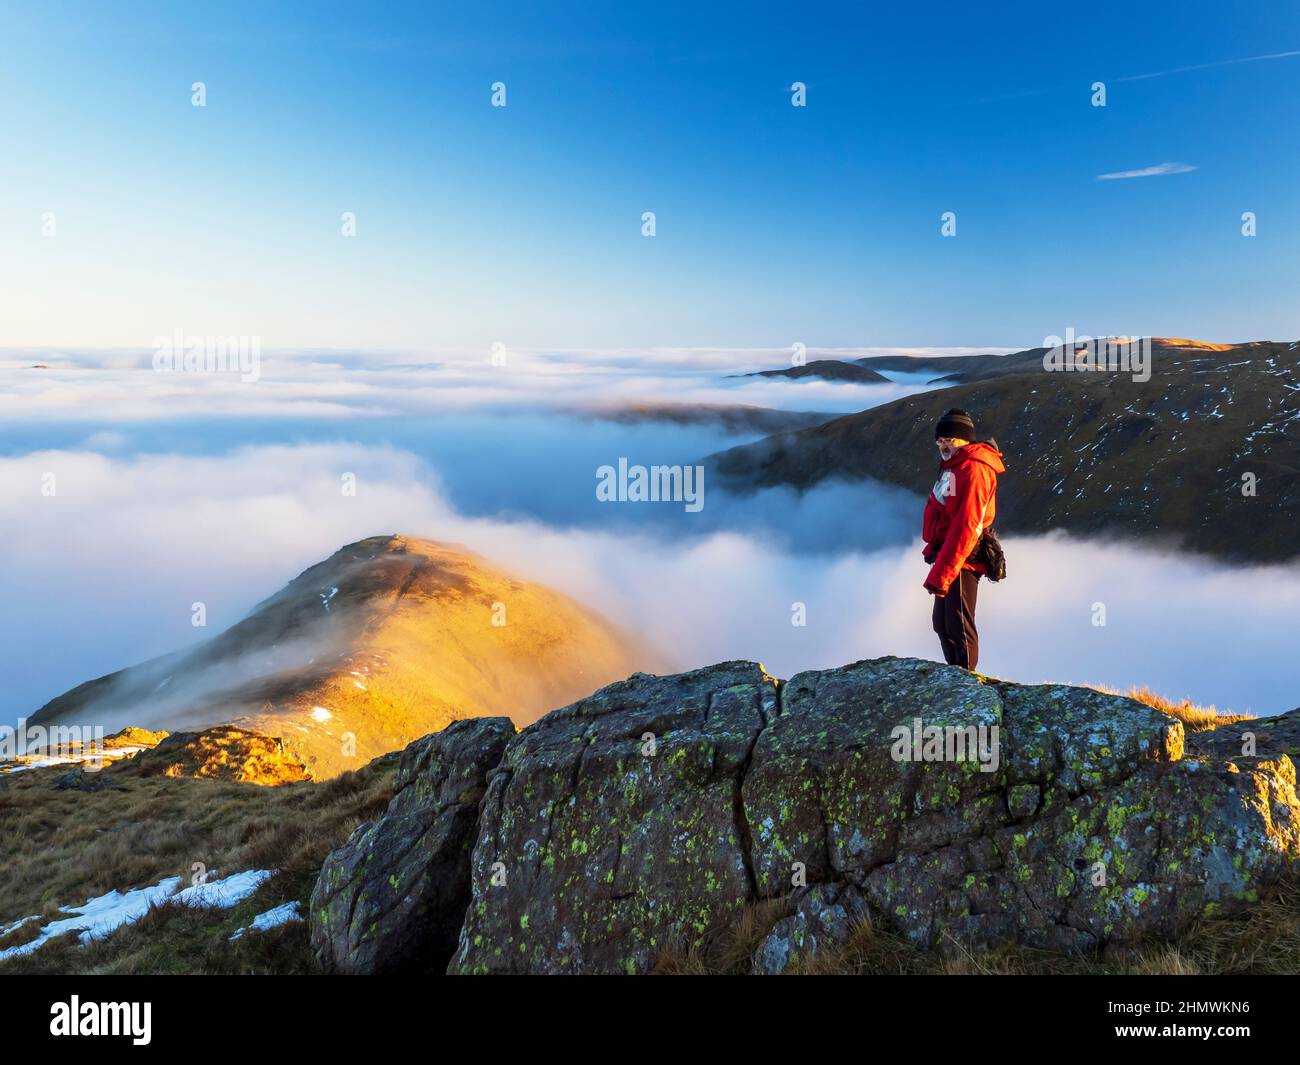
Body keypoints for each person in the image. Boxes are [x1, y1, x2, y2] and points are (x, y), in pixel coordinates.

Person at [921, 408, 1004, 671]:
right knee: (942, 623)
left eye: (949, 440)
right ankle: (955, 676)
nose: (943, 446)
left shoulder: (975, 470)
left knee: (958, 623)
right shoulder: (954, 466)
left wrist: (943, 572)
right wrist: (934, 545)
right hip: (948, 553)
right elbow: (946, 513)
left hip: (963, 557)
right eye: (940, 441)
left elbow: (967, 526)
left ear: (964, 440)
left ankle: (967, 682)